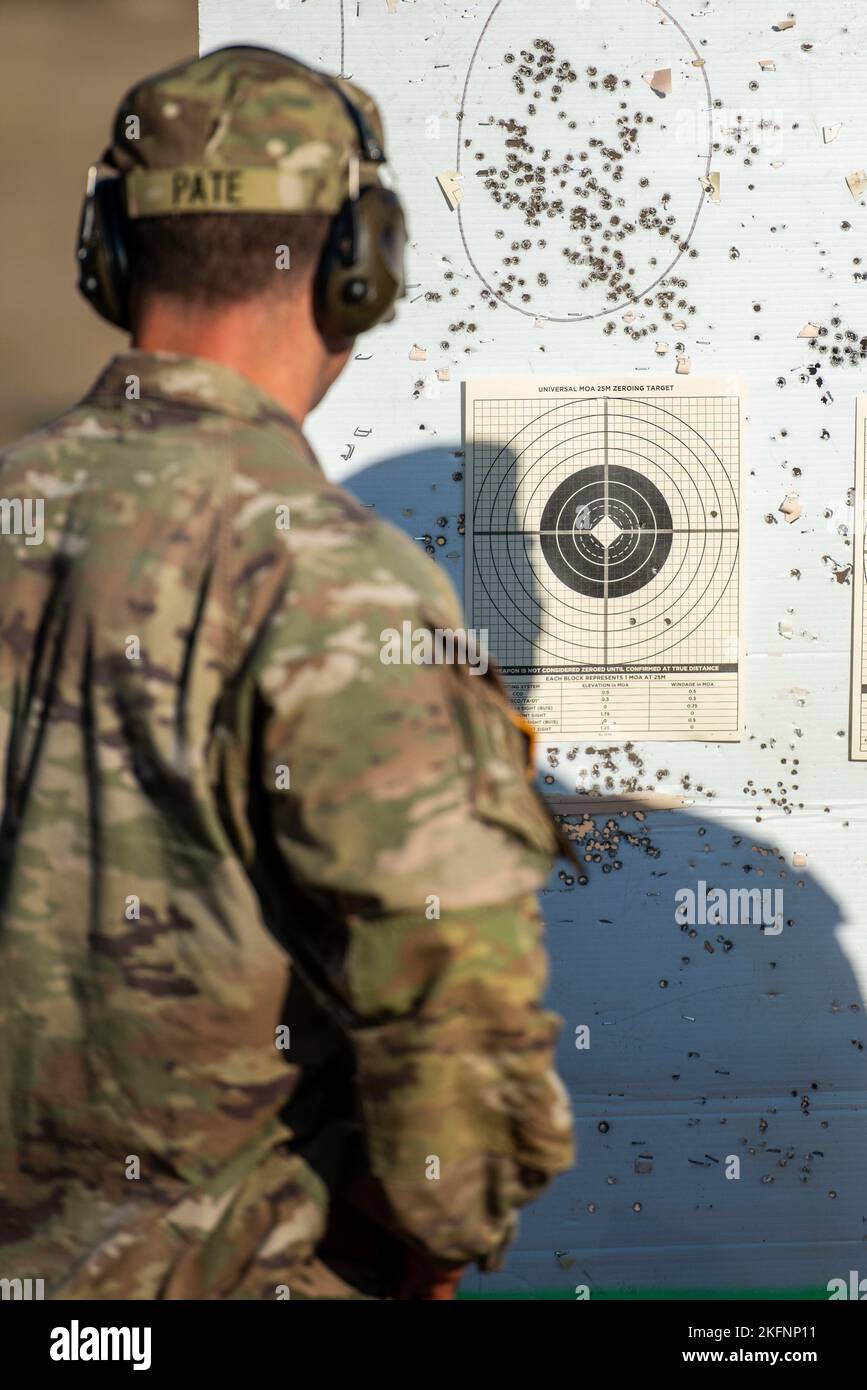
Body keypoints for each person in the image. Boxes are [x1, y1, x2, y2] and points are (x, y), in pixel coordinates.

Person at [0, 44, 574, 1300]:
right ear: (358, 267)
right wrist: (438, 1233)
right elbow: (453, 982)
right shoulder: (332, 579)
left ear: (109, 253)